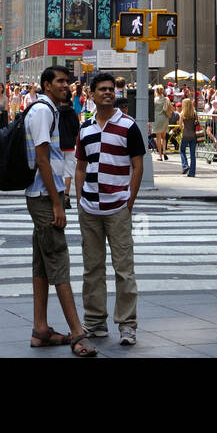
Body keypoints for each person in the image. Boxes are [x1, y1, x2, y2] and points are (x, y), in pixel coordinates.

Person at [24, 67, 96, 356]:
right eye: (60, 82)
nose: (66, 86)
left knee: (42, 265)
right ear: (46, 85)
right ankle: (78, 334)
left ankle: (40, 329)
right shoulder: (43, 111)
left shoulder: (46, 110)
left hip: (41, 194)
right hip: (44, 196)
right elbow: (42, 159)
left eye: (67, 81)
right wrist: (57, 203)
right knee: (59, 262)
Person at [75, 72, 145, 346]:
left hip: (118, 207)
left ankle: (127, 325)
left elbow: (137, 165)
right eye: (102, 89)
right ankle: (95, 322)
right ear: (91, 94)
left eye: (110, 89)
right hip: (90, 208)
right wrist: (81, 197)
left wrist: (130, 201)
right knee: (92, 269)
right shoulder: (86, 127)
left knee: (123, 269)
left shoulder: (128, 126)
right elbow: (81, 165)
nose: (107, 93)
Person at [58, 96, 80, 209]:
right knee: (68, 172)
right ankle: (66, 196)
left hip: (57, 145)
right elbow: (77, 130)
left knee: (56, 171)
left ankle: (57, 195)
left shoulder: (55, 111)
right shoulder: (73, 114)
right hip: (70, 146)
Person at [153, 83, 172, 161]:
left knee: (158, 137)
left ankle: (160, 155)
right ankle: (164, 151)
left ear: (156, 91)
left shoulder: (155, 100)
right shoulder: (166, 99)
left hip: (157, 118)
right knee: (164, 137)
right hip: (165, 118)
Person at [179, 96, 197, 177]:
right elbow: (197, 123)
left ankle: (185, 165)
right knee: (192, 154)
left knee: (182, 150)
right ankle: (192, 173)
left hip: (185, 134)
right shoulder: (194, 113)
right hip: (193, 135)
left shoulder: (183, 113)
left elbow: (180, 126)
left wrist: (183, 126)